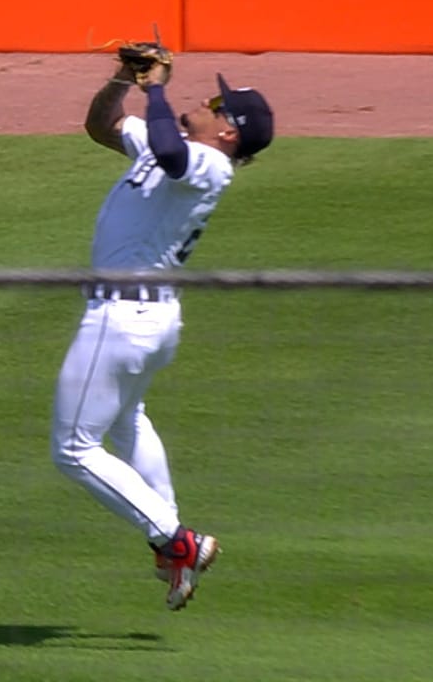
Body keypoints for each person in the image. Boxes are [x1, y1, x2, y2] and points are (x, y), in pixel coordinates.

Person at [50, 53, 274, 611]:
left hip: (122, 318)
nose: (203, 102)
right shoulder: (175, 146)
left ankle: (175, 540)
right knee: (128, 420)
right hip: (148, 318)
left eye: (217, 104)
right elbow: (101, 126)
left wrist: (155, 93)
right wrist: (124, 81)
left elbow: (170, 153)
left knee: (74, 450)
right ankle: (170, 546)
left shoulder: (208, 165)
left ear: (228, 132)